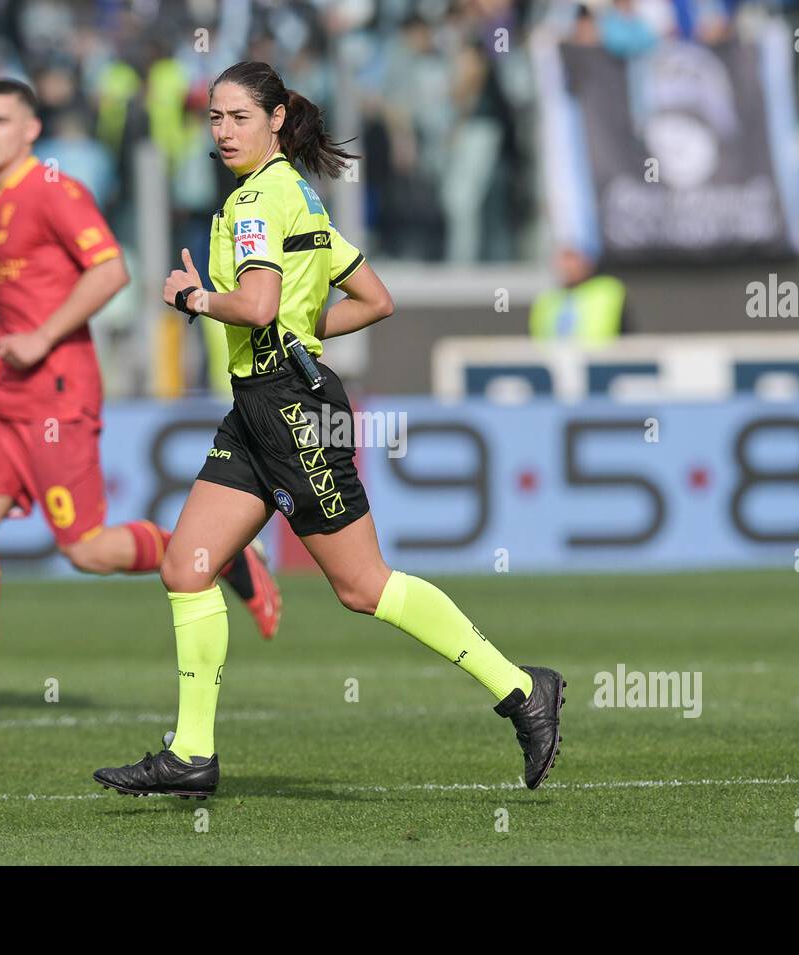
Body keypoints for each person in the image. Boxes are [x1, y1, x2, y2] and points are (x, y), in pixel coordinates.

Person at [92, 62, 565, 799]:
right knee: (187, 564)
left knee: (362, 585)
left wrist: (195, 297)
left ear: (276, 119)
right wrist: (297, 326)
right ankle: (190, 752)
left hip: (288, 408)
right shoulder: (297, 196)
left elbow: (253, 307)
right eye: (214, 118)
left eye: (238, 117)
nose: (222, 131)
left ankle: (520, 688)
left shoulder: (257, 201)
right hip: (262, 406)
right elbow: (375, 299)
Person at [0, 79, 279, 721]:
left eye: (0, 120)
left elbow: (112, 271)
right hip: (3, 395)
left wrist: (41, 337)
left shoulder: (52, 190)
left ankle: (220, 555)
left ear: (31, 129)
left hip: (57, 391)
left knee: (87, 549)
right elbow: (28, 303)